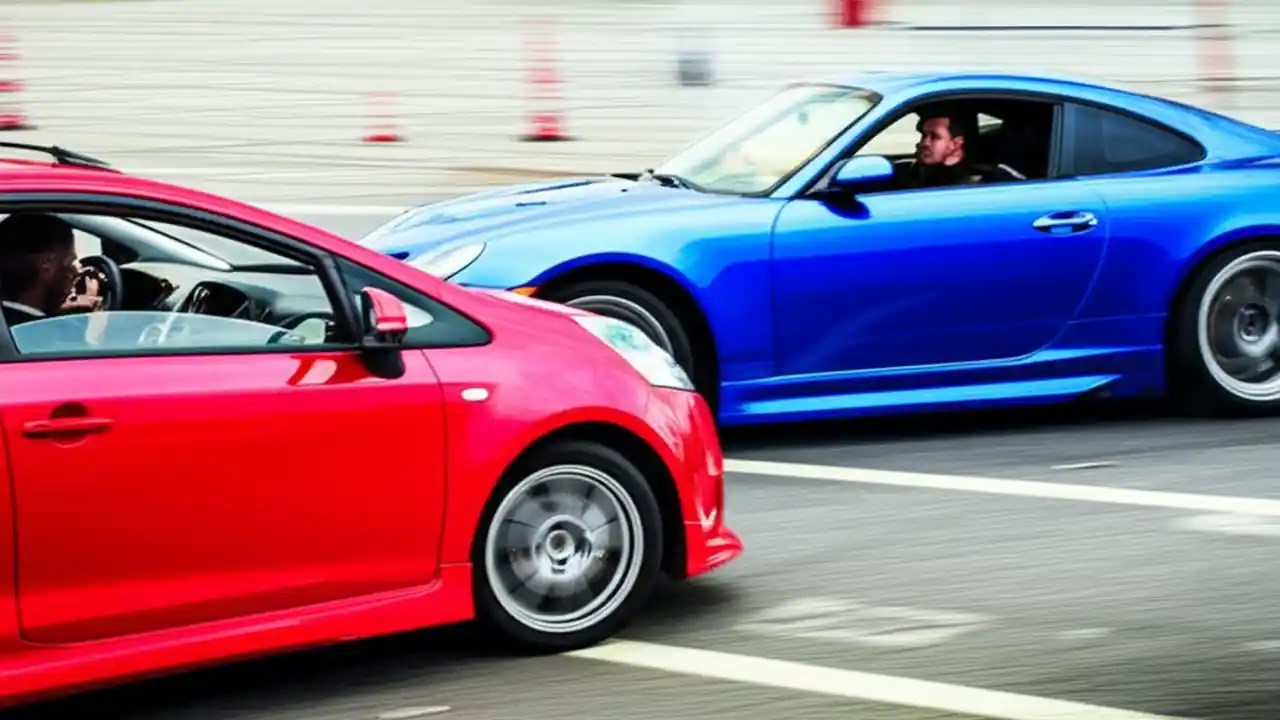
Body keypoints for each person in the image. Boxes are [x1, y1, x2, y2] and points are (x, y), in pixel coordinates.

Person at [0, 212, 102, 328]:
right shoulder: (43, 336)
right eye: (71, 260)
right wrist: (94, 321)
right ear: (46, 263)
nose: (78, 271)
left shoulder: (9, 321)